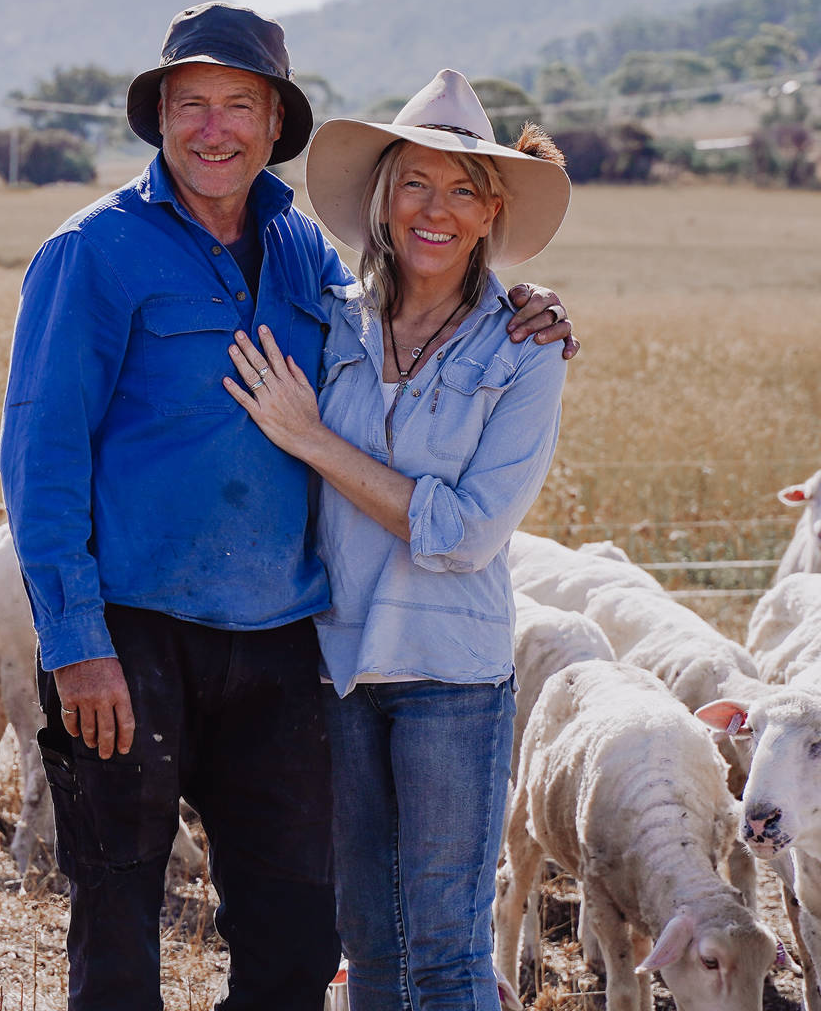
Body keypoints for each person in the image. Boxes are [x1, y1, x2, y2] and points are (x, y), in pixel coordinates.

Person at [0, 7, 576, 1011]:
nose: (214, 130)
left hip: (281, 646)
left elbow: (422, 302)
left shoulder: (307, 256)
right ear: (161, 119)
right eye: (192, 106)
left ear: (277, 125)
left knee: (298, 933)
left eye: (239, 106)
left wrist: (535, 305)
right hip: (131, 634)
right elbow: (39, 455)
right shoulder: (91, 251)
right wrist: (74, 641)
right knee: (120, 913)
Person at [221, 68, 575, 1011]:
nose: (437, 209)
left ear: (491, 210)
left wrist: (314, 439)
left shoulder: (525, 352)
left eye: (464, 189)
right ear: (382, 195)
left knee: (450, 950)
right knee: (369, 946)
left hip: (450, 676)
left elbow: (460, 535)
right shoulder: (330, 321)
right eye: (416, 181)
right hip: (337, 662)